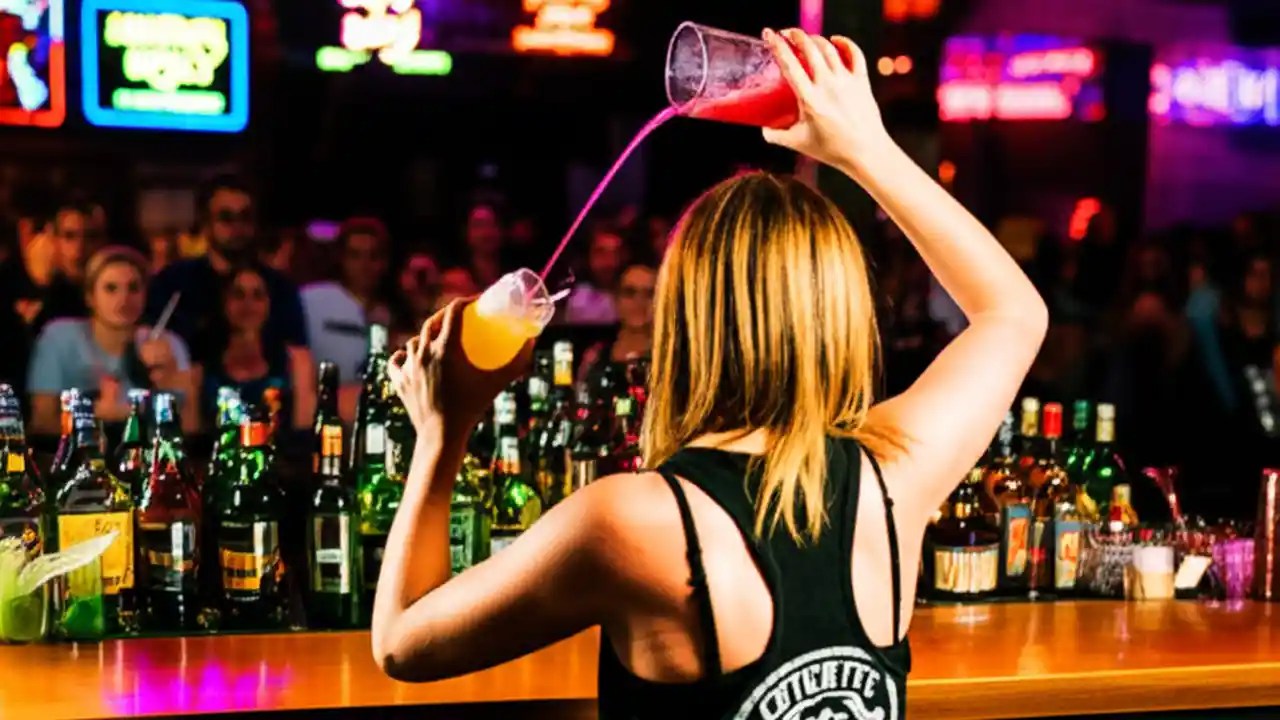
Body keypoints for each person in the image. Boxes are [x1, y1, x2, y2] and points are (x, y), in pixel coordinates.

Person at [371, 29, 1047, 720]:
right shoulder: (895, 477)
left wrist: (443, 429)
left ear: (684, 318)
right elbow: (1013, 314)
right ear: (843, 315)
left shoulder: (629, 521)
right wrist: (869, 151)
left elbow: (403, 644)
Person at [27, 246, 196, 436]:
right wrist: (100, 416)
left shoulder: (170, 344)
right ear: (90, 296)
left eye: (133, 288)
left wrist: (170, 379)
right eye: (111, 288)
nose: (124, 298)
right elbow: (42, 422)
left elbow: (191, 429)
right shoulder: (58, 337)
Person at [145, 175, 309, 355]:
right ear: (206, 223)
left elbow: (297, 355)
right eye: (226, 217)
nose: (237, 227)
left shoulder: (279, 288)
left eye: (245, 217)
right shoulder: (173, 283)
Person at [195, 264, 315, 435]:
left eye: (257, 296)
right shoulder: (200, 367)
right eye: (238, 295)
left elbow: (305, 435)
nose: (248, 304)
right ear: (223, 302)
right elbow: (192, 442)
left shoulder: (297, 361)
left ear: (269, 304)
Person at [302, 217, 394, 383]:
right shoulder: (311, 300)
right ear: (341, 258)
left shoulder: (396, 311)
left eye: (372, 256)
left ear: (384, 262)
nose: (364, 264)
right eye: (355, 255)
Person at [577, 262, 656, 385]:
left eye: (649, 294)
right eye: (630, 292)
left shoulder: (672, 360)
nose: (639, 301)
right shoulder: (594, 358)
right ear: (616, 299)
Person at [562, 224, 628, 325]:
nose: (609, 261)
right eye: (601, 252)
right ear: (588, 256)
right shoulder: (578, 300)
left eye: (615, 253)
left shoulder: (638, 295)